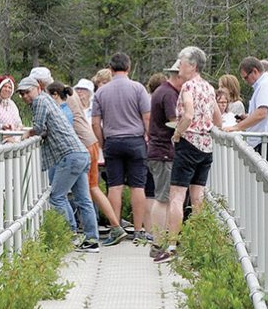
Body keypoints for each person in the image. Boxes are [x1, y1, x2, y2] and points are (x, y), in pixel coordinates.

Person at [154, 47, 221, 264]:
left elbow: (189, 114)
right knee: (198, 196)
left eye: (181, 62)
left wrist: (177, 133)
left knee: (177, 196)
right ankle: (199, 241)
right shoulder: (209, 88)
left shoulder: (188, 87)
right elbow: (217, 118)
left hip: (189, 143)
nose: (179, 66)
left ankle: (172, 245)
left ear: (192, 66)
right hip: (206, 146)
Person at [18, 76, 100, 252]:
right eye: (22, 93)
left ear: (38, 88)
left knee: (56, 197)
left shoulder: (40, 100)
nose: (25, 96)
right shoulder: (48, 100)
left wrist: (26, 134)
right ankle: (91, 240)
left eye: (27, 91)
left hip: (70, 155)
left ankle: (69, 235)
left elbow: (39, 128)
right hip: (81, 153)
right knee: (83, 199)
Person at [48, 81, 128, 246]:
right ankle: (100, 232)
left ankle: (113, 227)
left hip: (82, 145)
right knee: (88, 192)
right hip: (88, 144)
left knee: (89, 190)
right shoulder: (68, 96)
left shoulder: (60, 103)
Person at [91, 52, 151, 241]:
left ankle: (116, 228)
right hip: (135, 140)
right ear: (129, 67)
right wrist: (147, 137)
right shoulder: (138, 88)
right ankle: (139, 230)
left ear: (110, 69)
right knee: (137, 186)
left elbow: (94, 122)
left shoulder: (101, 92)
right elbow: (147, 117)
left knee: (114, 186)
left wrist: (102, 142)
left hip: (113, 141)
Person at [224, 56, 268, 174]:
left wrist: (236, 127)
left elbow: (261, 113)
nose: (245, 81)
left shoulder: (265, 85)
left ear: (255, 71)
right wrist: (248, 118)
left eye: (246, 77)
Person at [146, 59, 183, 258]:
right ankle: (158, 243)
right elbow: (174, 122)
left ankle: (161, 240)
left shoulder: (162, 90)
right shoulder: (168, 94)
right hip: (163, 152)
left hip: (159, 151)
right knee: (163, 198)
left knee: (165, 197)